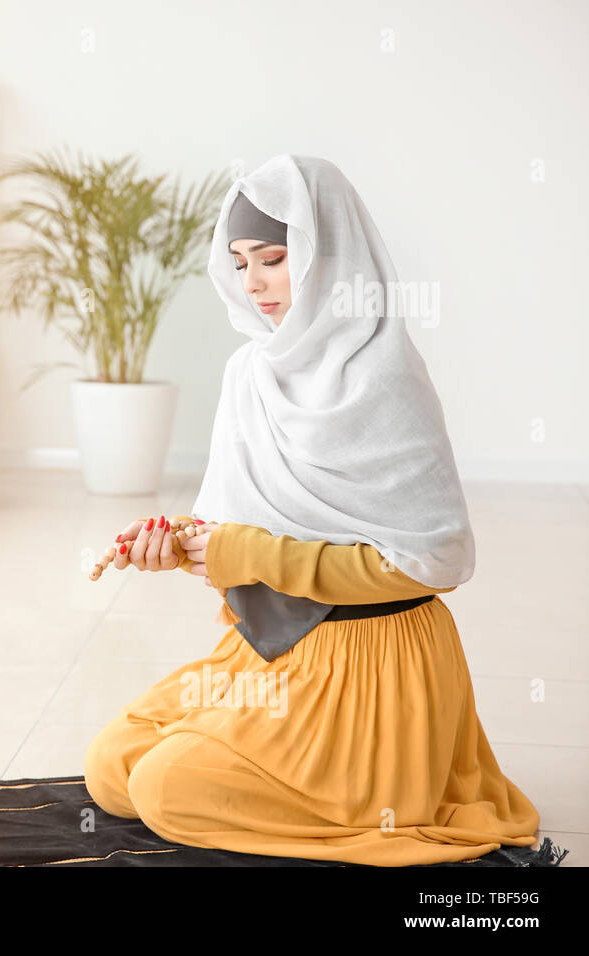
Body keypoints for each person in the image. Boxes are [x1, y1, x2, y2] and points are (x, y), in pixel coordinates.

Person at [83, 155, 548, 866]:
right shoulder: (252, 372)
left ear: (332, 257)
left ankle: (359, 797)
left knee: (164, 789)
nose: (255, 283)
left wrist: (257, 557)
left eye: (274, 258)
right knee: (112, 766)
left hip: (374, 661)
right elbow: (232, 530)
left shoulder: (382, 376)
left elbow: (435, 563)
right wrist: (177, 544)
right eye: (240, 264)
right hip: (269, 650)